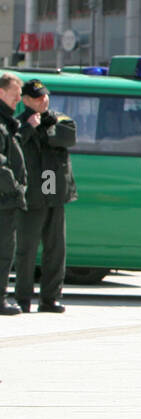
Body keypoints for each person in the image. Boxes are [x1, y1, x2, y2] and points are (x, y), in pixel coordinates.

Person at [14, 79, 77, 313]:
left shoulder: (57, 118)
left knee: (55, 248)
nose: (44, 100)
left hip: (53, 191)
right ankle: (22, 298)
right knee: (26, 249)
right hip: (32, 194)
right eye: (38, 97)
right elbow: (15, 143)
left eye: (45, 96)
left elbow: (68, 135)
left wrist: (45, 128)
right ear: (26, 100)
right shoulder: (19, 124)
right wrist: (30, 127)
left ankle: (50, 298)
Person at [0, 73, 27, 316]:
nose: (18, 100)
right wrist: (16, 189)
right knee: (4, 251)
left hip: (6, 198)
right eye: (15, 95)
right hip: (3, 199)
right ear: (1, 93)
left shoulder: (7, 121)